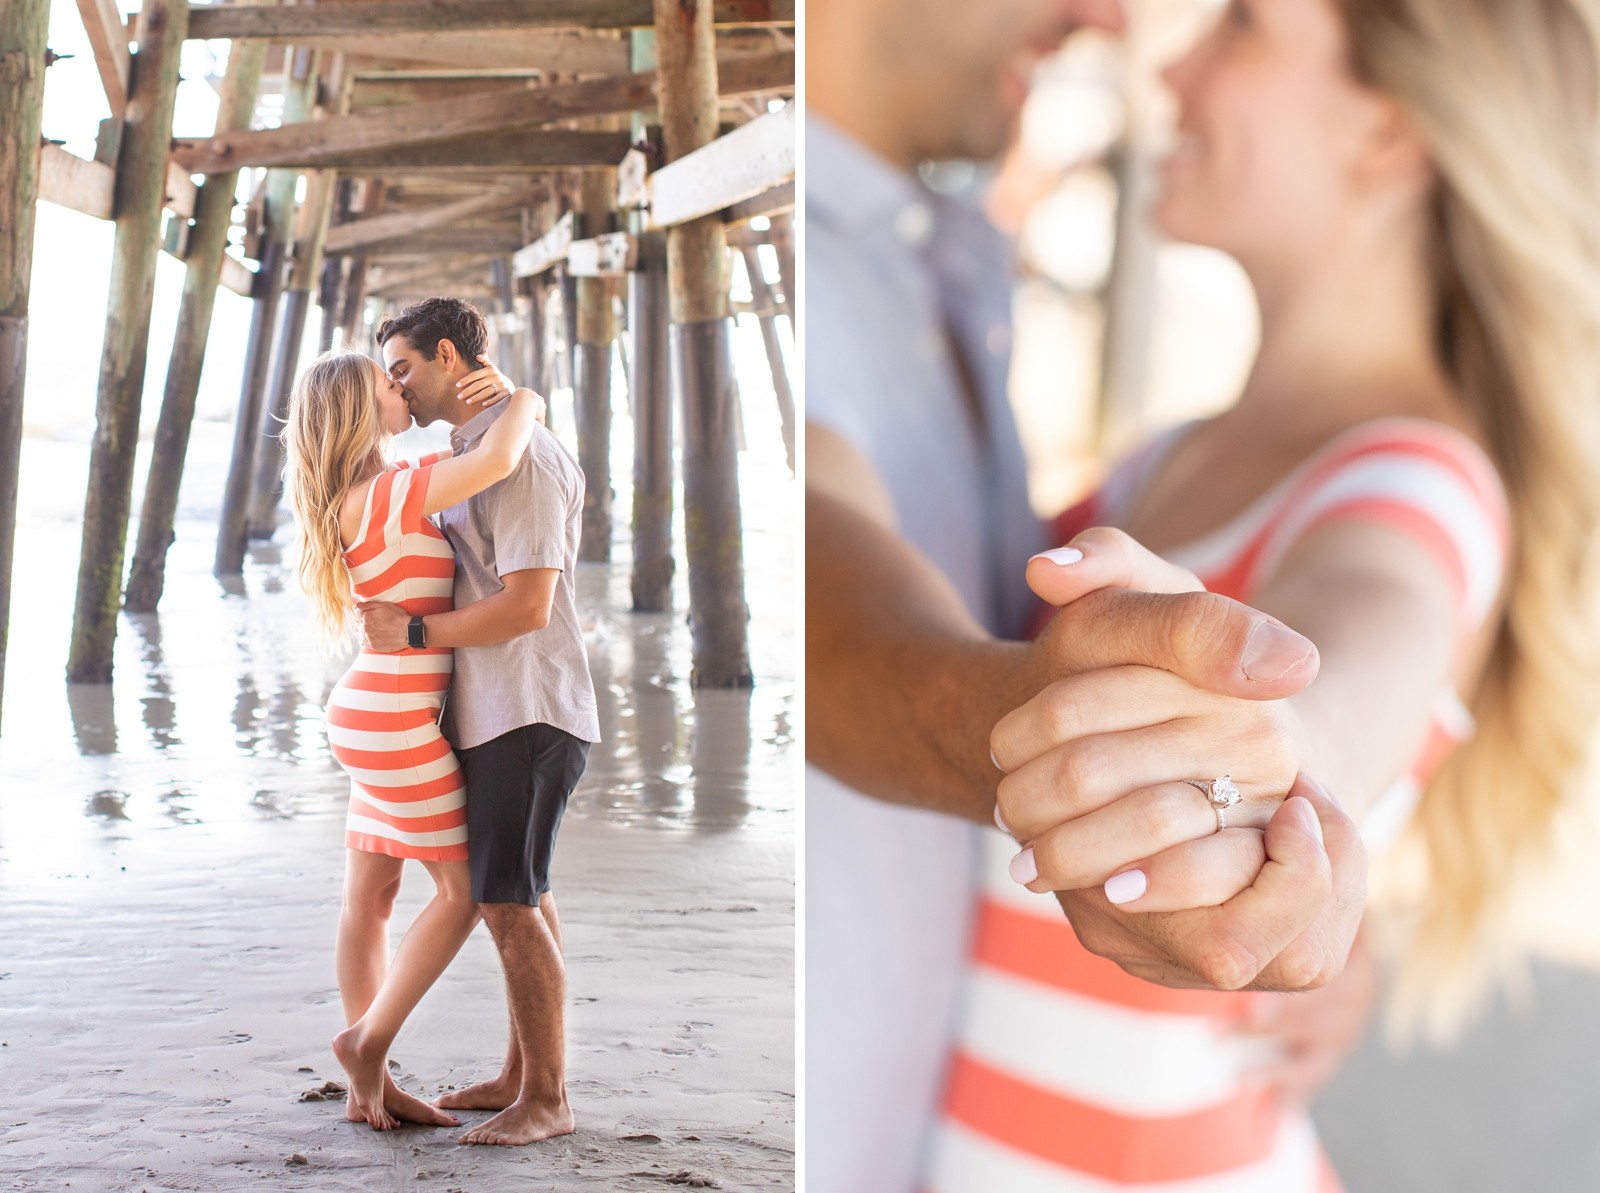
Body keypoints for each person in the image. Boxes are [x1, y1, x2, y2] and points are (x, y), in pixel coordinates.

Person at [938, 0, 1600, 1188]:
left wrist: (1292, 770)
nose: (1174, 62)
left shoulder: (1416, 481)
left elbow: (1363, 649)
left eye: (1241, 24)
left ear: (1389, 130)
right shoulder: (1169, 455)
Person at [805, 1, 1365, 1189]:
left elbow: (1371, 664)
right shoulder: (841, 252)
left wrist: (1317, 835)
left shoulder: (937, 254)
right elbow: (814, 569)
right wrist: (1019, 733)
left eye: (1245, 24)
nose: (1118, 22)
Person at [357, 297, 600, 1148]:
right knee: (522, 892)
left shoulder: (521, 459)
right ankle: (523, 1074)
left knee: (504, 901)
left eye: (405, 370)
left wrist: (415, 632)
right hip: (503, 711)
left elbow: (529, 606)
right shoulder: (479, 451)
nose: (399, 389)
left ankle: (549, 1100)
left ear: (451, 358)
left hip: (528, 709)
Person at [281, 349, 542, 1131]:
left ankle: (374, 1084)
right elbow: (499, 452)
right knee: (464, 894)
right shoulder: (393, 492)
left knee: (371, 898)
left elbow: (462, 456)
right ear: (359, 412)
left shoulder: (358, 496)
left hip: (369, 710)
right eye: (384, 384)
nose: (400, 389)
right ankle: (367, 1045)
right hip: (396, 717)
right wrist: (527, 394)